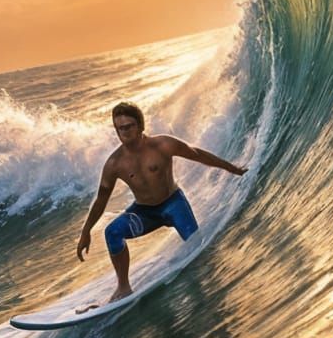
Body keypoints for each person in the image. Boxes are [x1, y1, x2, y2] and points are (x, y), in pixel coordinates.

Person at [76, 101, 247, 301]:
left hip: (173, 204)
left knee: (197, 248)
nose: (124, 132)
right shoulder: (114, 164)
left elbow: (197, 154)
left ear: (140, 125)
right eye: (119, 128)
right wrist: (86, 231)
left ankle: (211, 288)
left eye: (129, 126)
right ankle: (123, 287)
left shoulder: (163, 144)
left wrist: (230, 168)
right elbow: (101, 200)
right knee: (112, 232)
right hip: (145, 212)